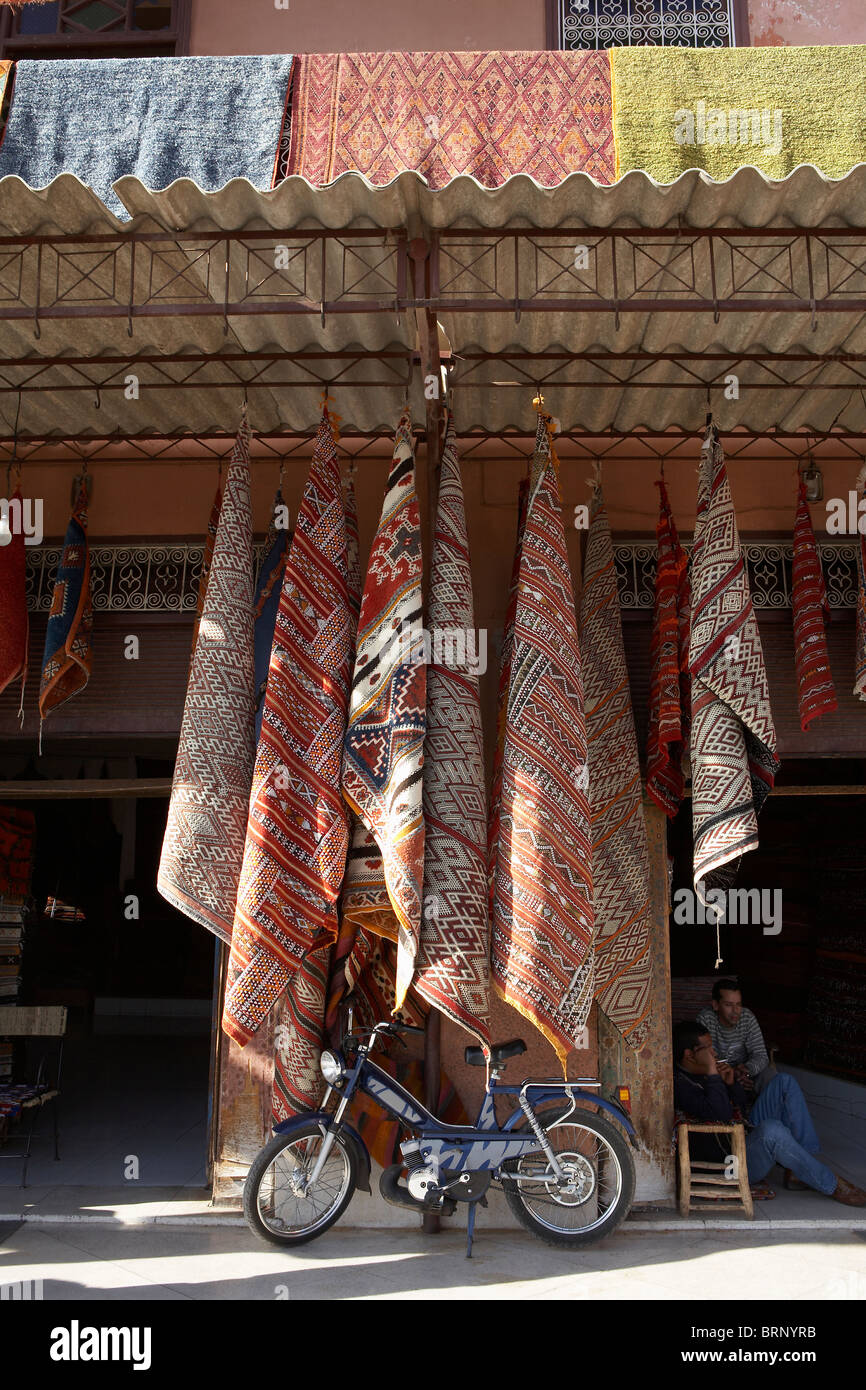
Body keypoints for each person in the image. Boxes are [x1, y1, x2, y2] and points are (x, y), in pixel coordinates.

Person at [673, 1020, 866, 1206]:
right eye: (708, 1048)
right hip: (730, 1163)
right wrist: (714, 1075)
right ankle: (831, 1184)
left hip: (741, 1135)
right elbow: (721, 1116)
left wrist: (731, 1084)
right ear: (689, 1054)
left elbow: (739, 1107)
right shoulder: (680, 1085)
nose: (714, 1053)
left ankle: (802, 1166)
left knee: (784, 1082)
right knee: (772, 1130)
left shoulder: (705, 1072)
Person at [697, 980, 775, 1094]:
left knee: (773, 1077)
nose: (736, 1011)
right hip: (719, 1075)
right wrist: (732, 1074)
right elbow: (702, 1058)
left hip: (745, 1074)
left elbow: (761, 1055)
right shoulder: (705, 1019)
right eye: (728, 1005)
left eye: (738, 1004)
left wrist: (746, 1071)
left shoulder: (747, 1017)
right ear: (716, 1005)